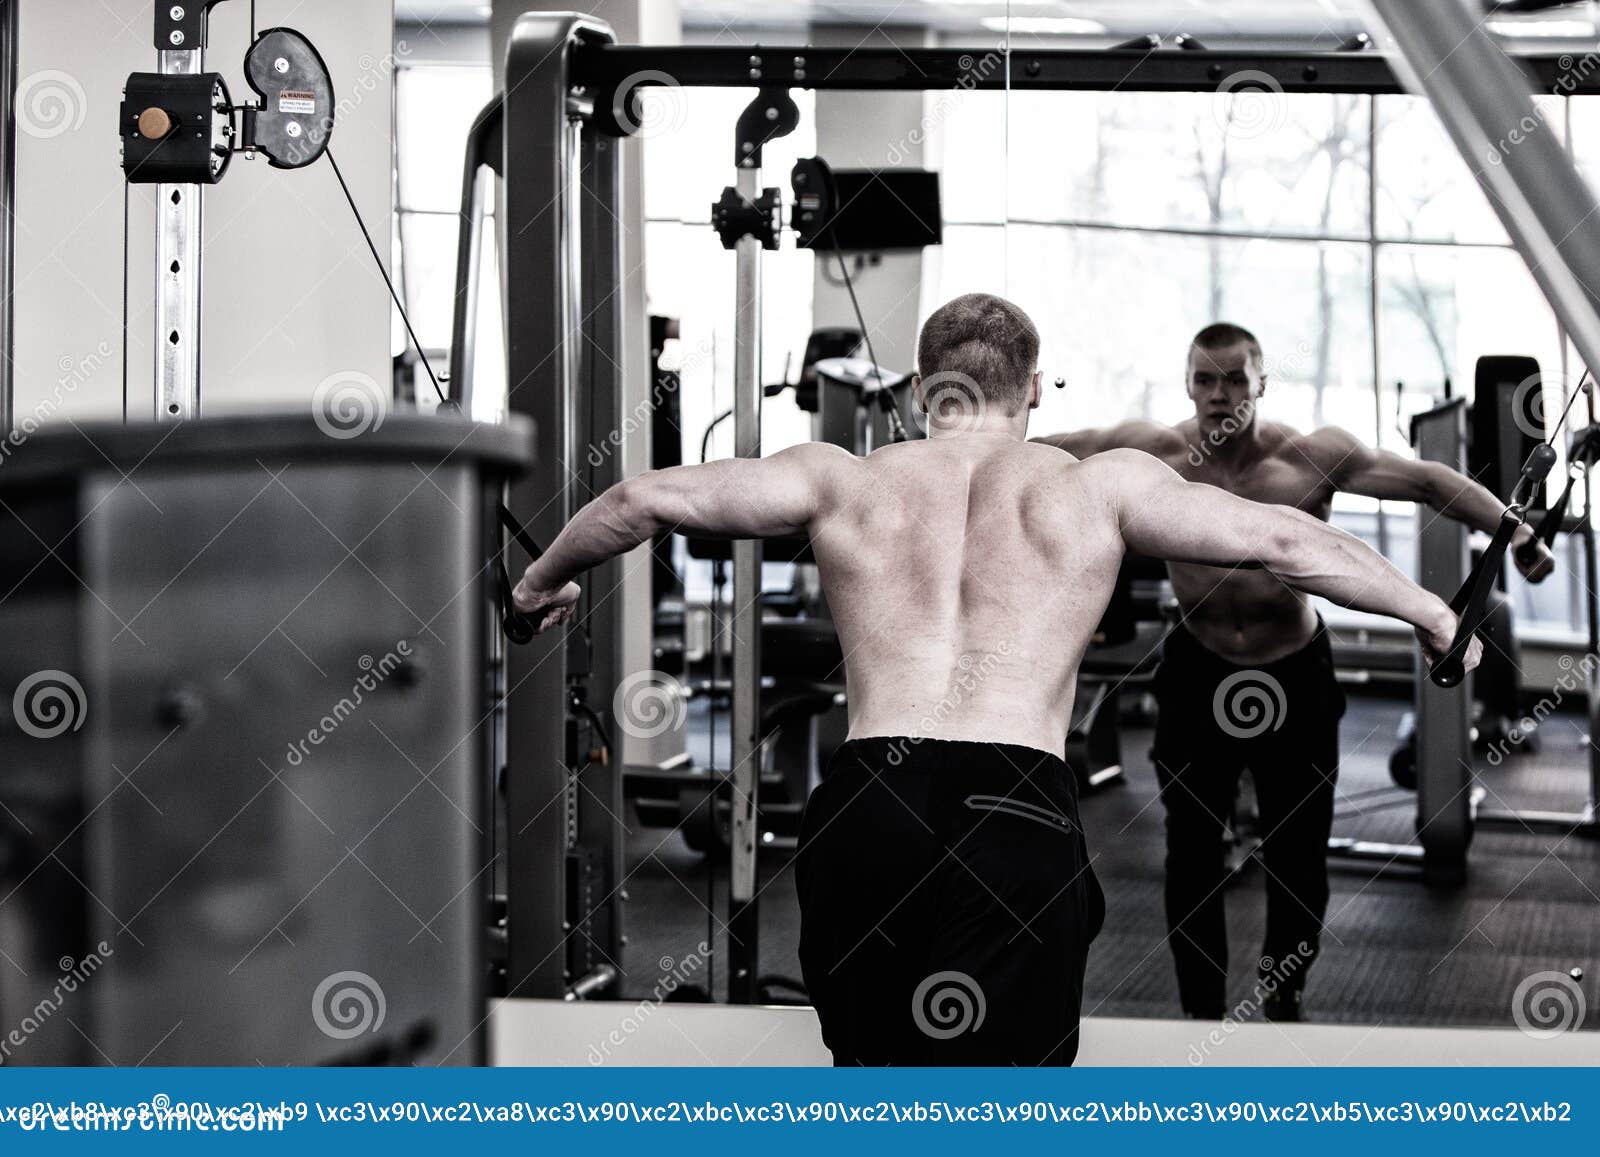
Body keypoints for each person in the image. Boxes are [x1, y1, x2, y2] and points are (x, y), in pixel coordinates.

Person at [514, 296, 1478, 1065]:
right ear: (1035, 391)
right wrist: (1434, 616)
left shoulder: (838, 476)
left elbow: (640, 499)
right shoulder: (1096, 483)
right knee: (1000, 1100)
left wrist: (538, 582)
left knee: (877, 1080)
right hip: (1011, 805)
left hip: (867, 805)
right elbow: (1283, 538)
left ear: (919, 395)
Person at [1033, 321, 1549, 1022]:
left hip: (1294, 672)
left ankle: (1283, 1001)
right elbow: (1045, 451)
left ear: (1262, 383)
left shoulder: (1310, 459)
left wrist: (1513, 531)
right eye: (1206, 380)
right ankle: (1201, 1015)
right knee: (1190, 858)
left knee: (1299, 862)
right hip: (1197, 669)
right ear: (1188, 383)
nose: (1220, 395)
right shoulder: (1152, 452)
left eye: (1236, 379)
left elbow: (1426, 481)